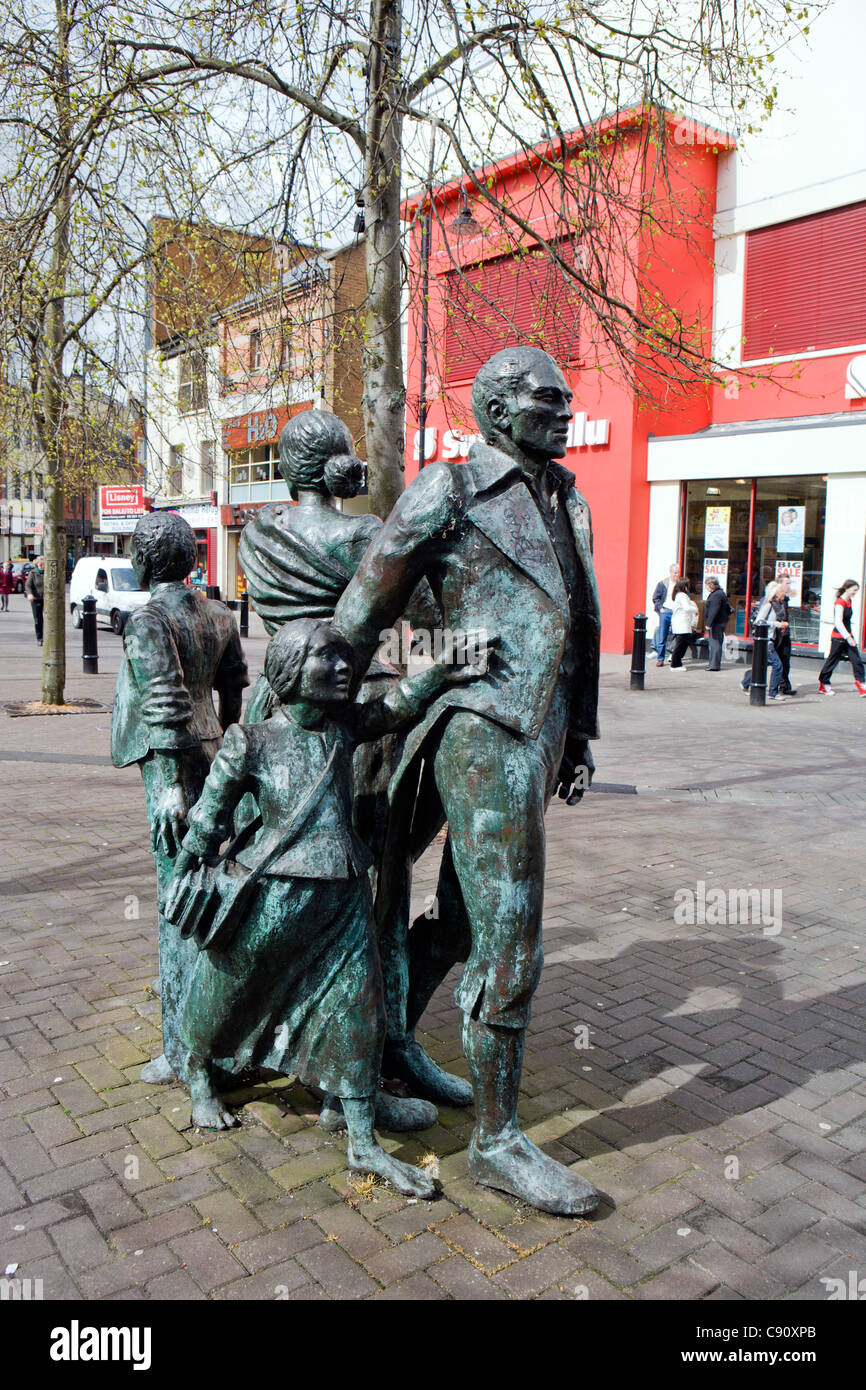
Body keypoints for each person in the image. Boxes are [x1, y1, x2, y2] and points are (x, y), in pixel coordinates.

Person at [335, 345, 601, 1216]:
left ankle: (384, 1041)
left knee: (458, 923)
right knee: (511, 937)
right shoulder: (448, 493)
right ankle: (496, 1141)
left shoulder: (568, 497)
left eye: (568, 398)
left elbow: (581, 622)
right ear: (493, 411)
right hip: (476, 733)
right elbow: (359, 618)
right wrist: (399, 689)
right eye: (546, 398)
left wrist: (581, 732)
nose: (565, 410)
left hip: (539, 737)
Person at [169, 619, 490, 1195]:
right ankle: (198, 1073)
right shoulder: (252, 740)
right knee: (229, 989)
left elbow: (393, 709)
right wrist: (190, 864)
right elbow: (209, 816)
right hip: (273, 897)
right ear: (292, 669)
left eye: (346, 659)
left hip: (342, 894)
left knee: (358, 1009)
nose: (345, 669)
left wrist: (441, 671)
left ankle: (363, 1141)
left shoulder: (341, 730)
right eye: (328, 659)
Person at [111, 512, 249, 1085]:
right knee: (210, 892)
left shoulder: (147, 618)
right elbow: (234, 686)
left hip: (171, 764)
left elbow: (163, 703)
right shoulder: (219, 611)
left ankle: (181, 1048)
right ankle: (220, 1038)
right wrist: (233, 747)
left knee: (176, 902)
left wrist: (168, 785)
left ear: (144, 562)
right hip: (213, 748)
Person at [740, 581, 788, 700]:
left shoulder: (778, 605)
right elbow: (759, 622)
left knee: (762, 664)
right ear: (776, 593)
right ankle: (773, 692)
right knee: (777, 665)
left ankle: (745, 682)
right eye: (782, 591)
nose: (784, 593)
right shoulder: (768, 605)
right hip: (765, 641)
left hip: (770, 639)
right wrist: (778, 624)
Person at [818, 580, 866, 696]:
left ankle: (861, 683)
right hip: (839, 638)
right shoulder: (840, 602)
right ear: (847, 588)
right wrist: (848, 637)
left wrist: (849, 636)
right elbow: (838, 622)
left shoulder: (849, 601)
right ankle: (824, 683)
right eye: (854, 590)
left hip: (848, 636)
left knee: (856, 660)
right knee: (832, 660)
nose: (855, 592)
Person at [652, 562, 680, 665]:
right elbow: (656, 597)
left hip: (676, 612)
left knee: (676, 634)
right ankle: (660, 658)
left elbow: (686, 596)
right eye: (675, 573)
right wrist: (660, 609)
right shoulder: (663, 583)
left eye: (678, 573)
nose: (677, 575)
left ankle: (673, 654)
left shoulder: (680, 584)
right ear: (671, 572)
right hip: (666, 611)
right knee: (662, 635)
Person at [771, 575, 795, 694]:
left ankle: (784, 687)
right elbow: (779, 616)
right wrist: (781, 624)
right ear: (779, 584)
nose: (789, 586)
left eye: (789, 583)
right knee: (768, 662)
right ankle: (748, 680)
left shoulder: (785, 599)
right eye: (787, 583)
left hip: (784, 634)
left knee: (785, 661)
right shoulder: (772, 600)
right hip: (775, 635)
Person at [703, 577, 733, 671]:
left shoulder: (716, 595)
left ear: (711, 585)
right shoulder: (719, 593)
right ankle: (712, 664)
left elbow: (714, 610)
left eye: (707, 585)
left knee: (715, 643)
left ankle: (714, 665)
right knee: (715, 642)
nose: (706, 587)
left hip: (717, 622)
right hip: (720, 621)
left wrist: (708, 623)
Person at [669, 579, 699, 669]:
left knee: (681, 644)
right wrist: (695, 609)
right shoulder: (682, 596)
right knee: (680, 645)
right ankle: (675, 664)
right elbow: (686, 608)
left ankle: (677, 663)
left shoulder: (678, 595)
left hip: (680, 623)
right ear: (685, 586)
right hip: (682, 623)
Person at [24, 555, 45, 643]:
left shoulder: (49, 573)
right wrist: (30, 594)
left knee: (49, 618)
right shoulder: (33, 573)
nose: (42, 567)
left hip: (47, 598)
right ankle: (40, 638)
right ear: (37, 565)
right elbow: (28, 585)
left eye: (44, 565)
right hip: (36, 598)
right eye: (41, 565)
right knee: (38, 619)